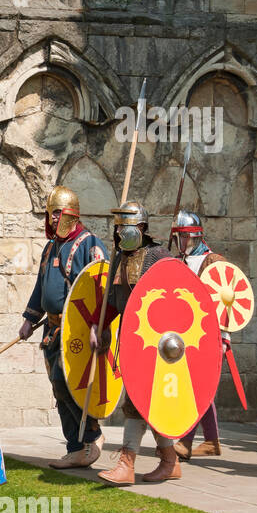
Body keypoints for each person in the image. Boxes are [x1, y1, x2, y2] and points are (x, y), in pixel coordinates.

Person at [18, 186, 109, 470]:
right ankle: (75, 448)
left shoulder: (89, 243)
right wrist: (29, 319)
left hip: (79, 329)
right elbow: (41, 287)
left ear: (71, 213)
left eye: (58, 212)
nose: (53, 218)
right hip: (53, 330)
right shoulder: (51, 247)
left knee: (66, 384)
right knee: (58, 390)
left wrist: (96, 325)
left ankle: (90, 436)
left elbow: (100, 288)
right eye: (51, 213)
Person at [92, 201, 179, 484]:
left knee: (137, 402)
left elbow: (176, 301)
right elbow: (114, 303)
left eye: (123, 227)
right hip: (129, 341)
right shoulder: (120, 258)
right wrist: (101, 325)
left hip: (154, 345)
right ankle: (170, 461)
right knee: (146, 403)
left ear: (140, 228)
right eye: (116, 227)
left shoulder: (158, 256)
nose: (117, 233)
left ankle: (127, 463)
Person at [169, 211, 229, 459]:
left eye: (184, 237)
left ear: (195, 236)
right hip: (183, 336)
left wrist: (225, 338)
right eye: (178, 237)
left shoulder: (213, 261)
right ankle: (212, 441)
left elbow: (227, 302)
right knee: (197, 388)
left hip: (209, 335)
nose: (181, 243)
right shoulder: (175, 262)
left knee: (195, 389)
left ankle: (186, 440)